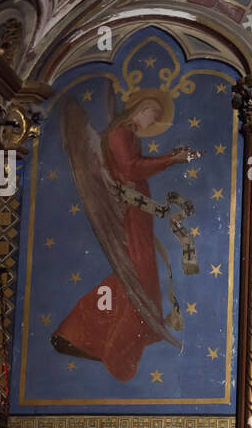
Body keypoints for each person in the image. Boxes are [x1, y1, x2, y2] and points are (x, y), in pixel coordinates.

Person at [53, 91, 194, 381]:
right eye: (152, 112)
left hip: (138, 213)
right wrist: (172, 158)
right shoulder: (119, 133)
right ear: (139, 109)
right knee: (136, 276)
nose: (154, 119)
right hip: (130, 214)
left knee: (138, 276)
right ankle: (88, 337)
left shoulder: (130, 135)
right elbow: (130, 168)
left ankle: (89, 337)